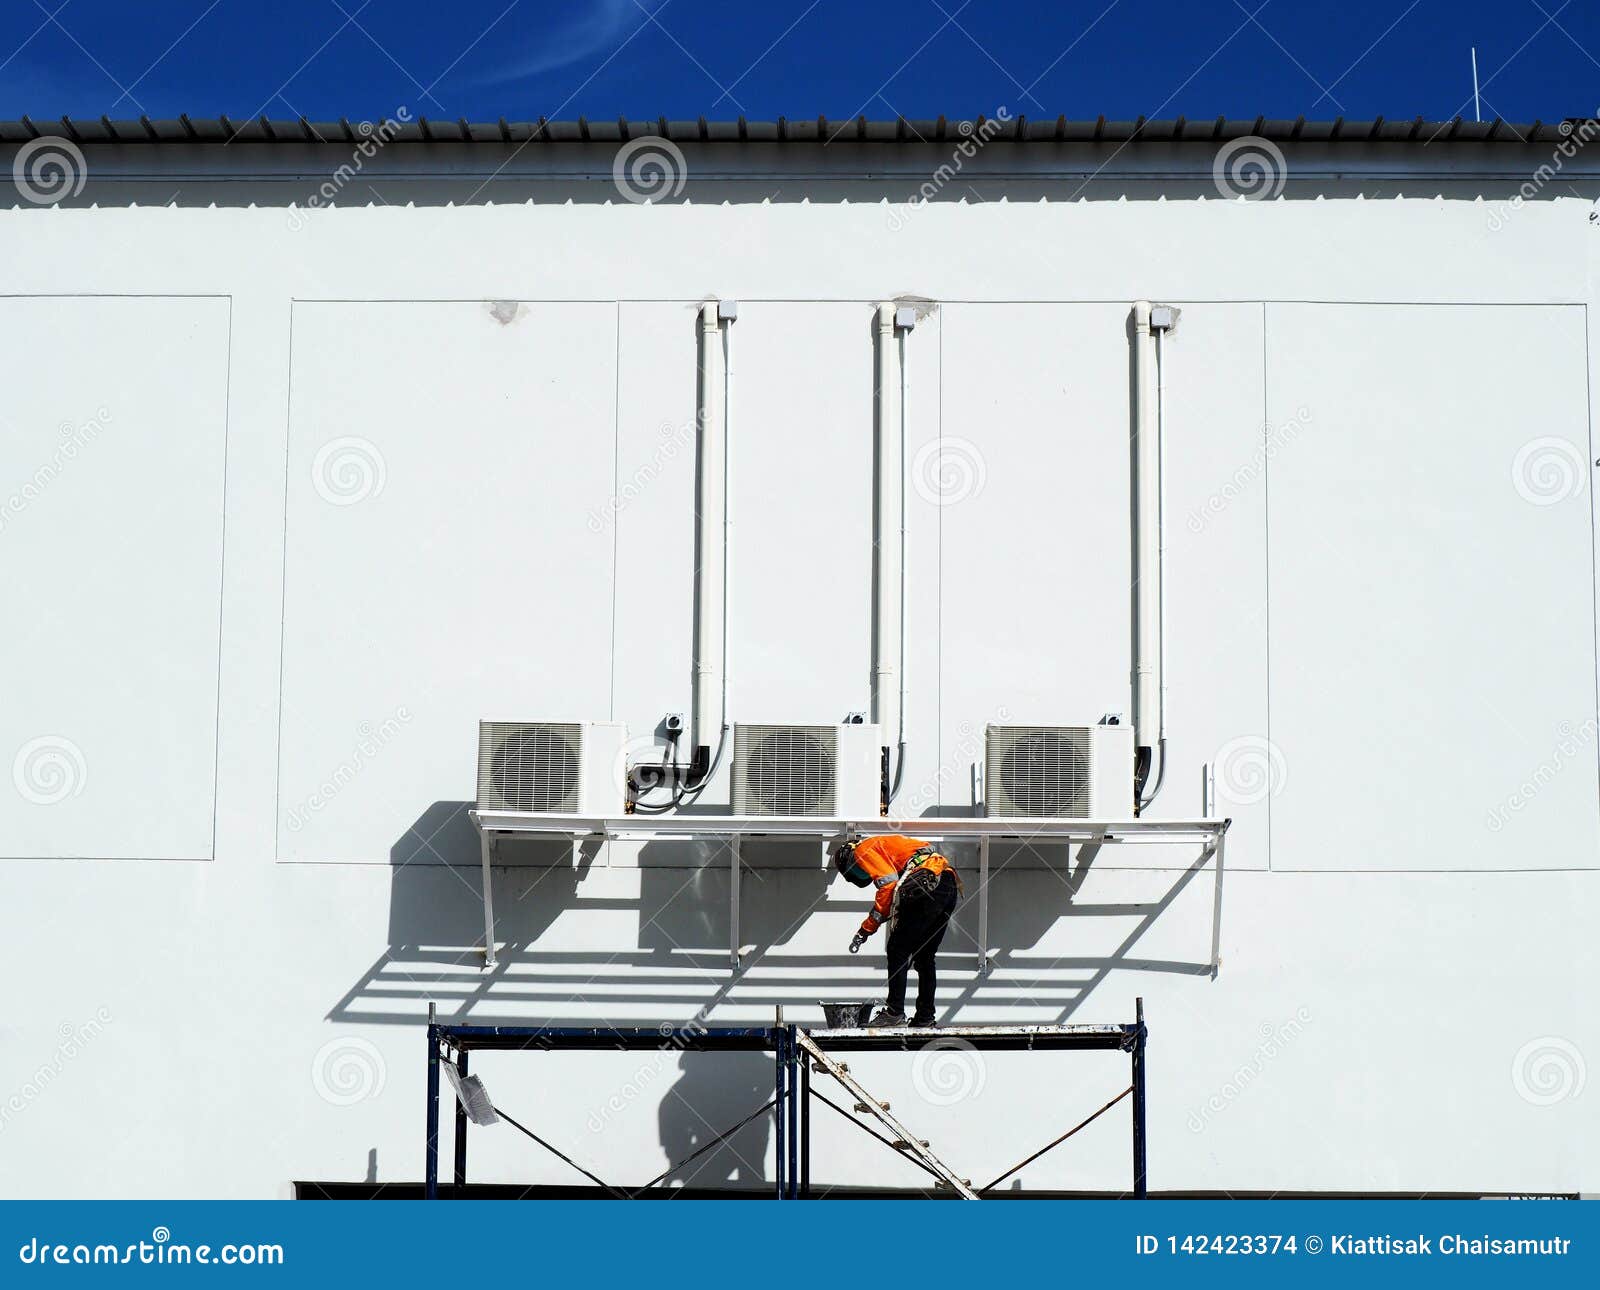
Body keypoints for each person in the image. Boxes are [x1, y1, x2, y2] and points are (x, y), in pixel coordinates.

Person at [834, 834, 961, 1028]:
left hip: (927, 881)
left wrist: (867, 928)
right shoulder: (883, 845)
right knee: (925, 957)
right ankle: (925, 1017)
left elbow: (888, 885)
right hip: (946, 881)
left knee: (897, 949)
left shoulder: (861, 850)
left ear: (848, 858)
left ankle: (894, 1013)